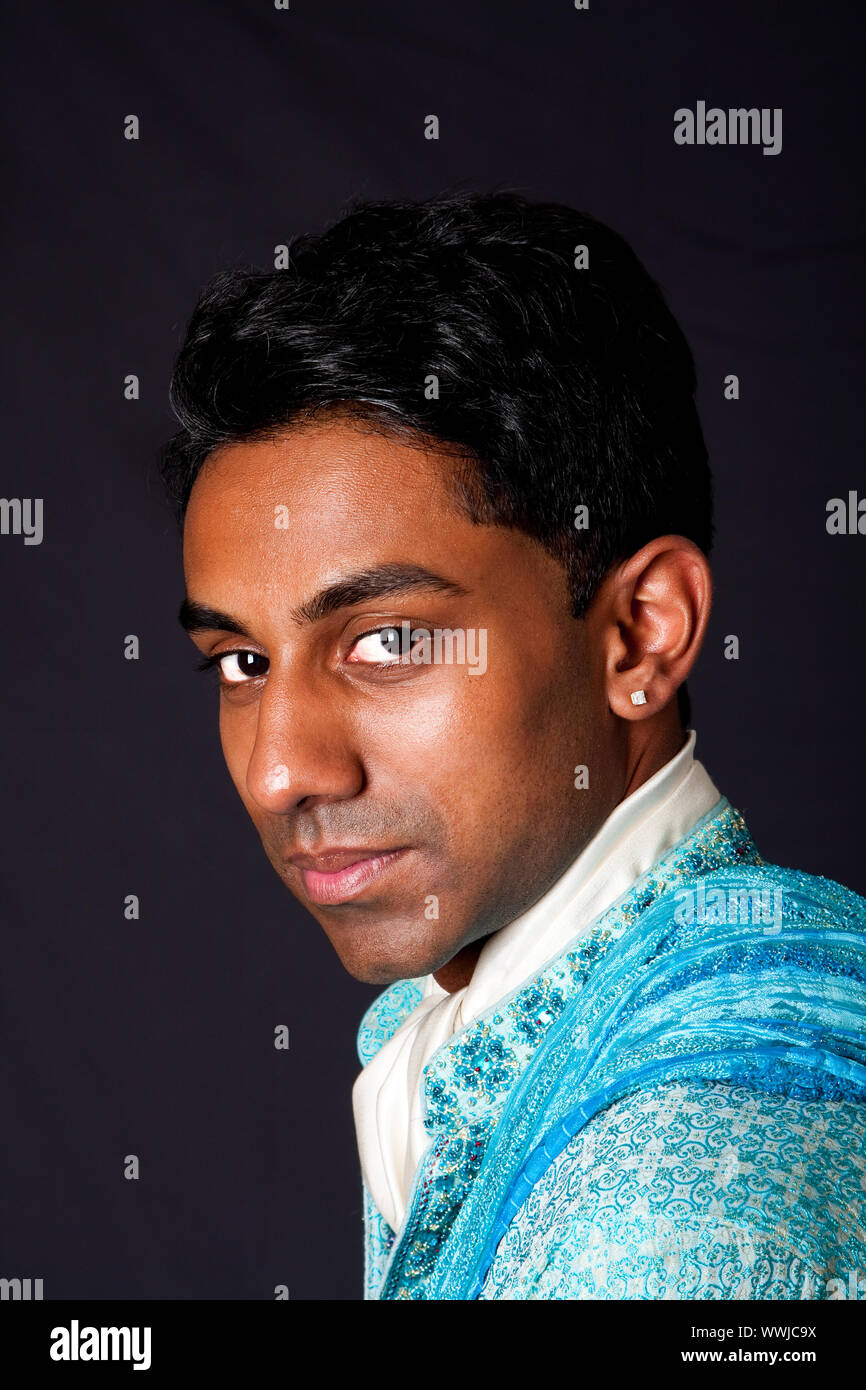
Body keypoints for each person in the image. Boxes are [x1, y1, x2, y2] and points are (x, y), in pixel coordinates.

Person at [160, 190, 866, 1300]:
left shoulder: (670, 1218)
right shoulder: (461, 1039)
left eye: (385, 639)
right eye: (241, 662)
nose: (279, 769)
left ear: (639, 633)